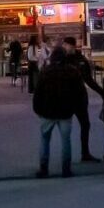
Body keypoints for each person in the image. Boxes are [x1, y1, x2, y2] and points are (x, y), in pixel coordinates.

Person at [33, 46, 82, 178]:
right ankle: (66, 169)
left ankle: (44, 168)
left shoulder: (45, 72)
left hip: (47, 111)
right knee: (66, 141)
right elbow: (79, 93)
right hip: (65, 112)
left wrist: (37, 109)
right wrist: (74, 108)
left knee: (45, 140)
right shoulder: (72, 72)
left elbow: (38, 92)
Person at [61, 37, 101, 161]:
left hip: (79, 98)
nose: (65, 47)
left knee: (85, 125)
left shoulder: (80, 60)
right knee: (65, 128)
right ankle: (66, 157)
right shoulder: (62, 59)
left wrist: (102, 92)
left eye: (66, 45)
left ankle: (85, 153)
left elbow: (88, 80)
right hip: (66, 99)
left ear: (71, 46)